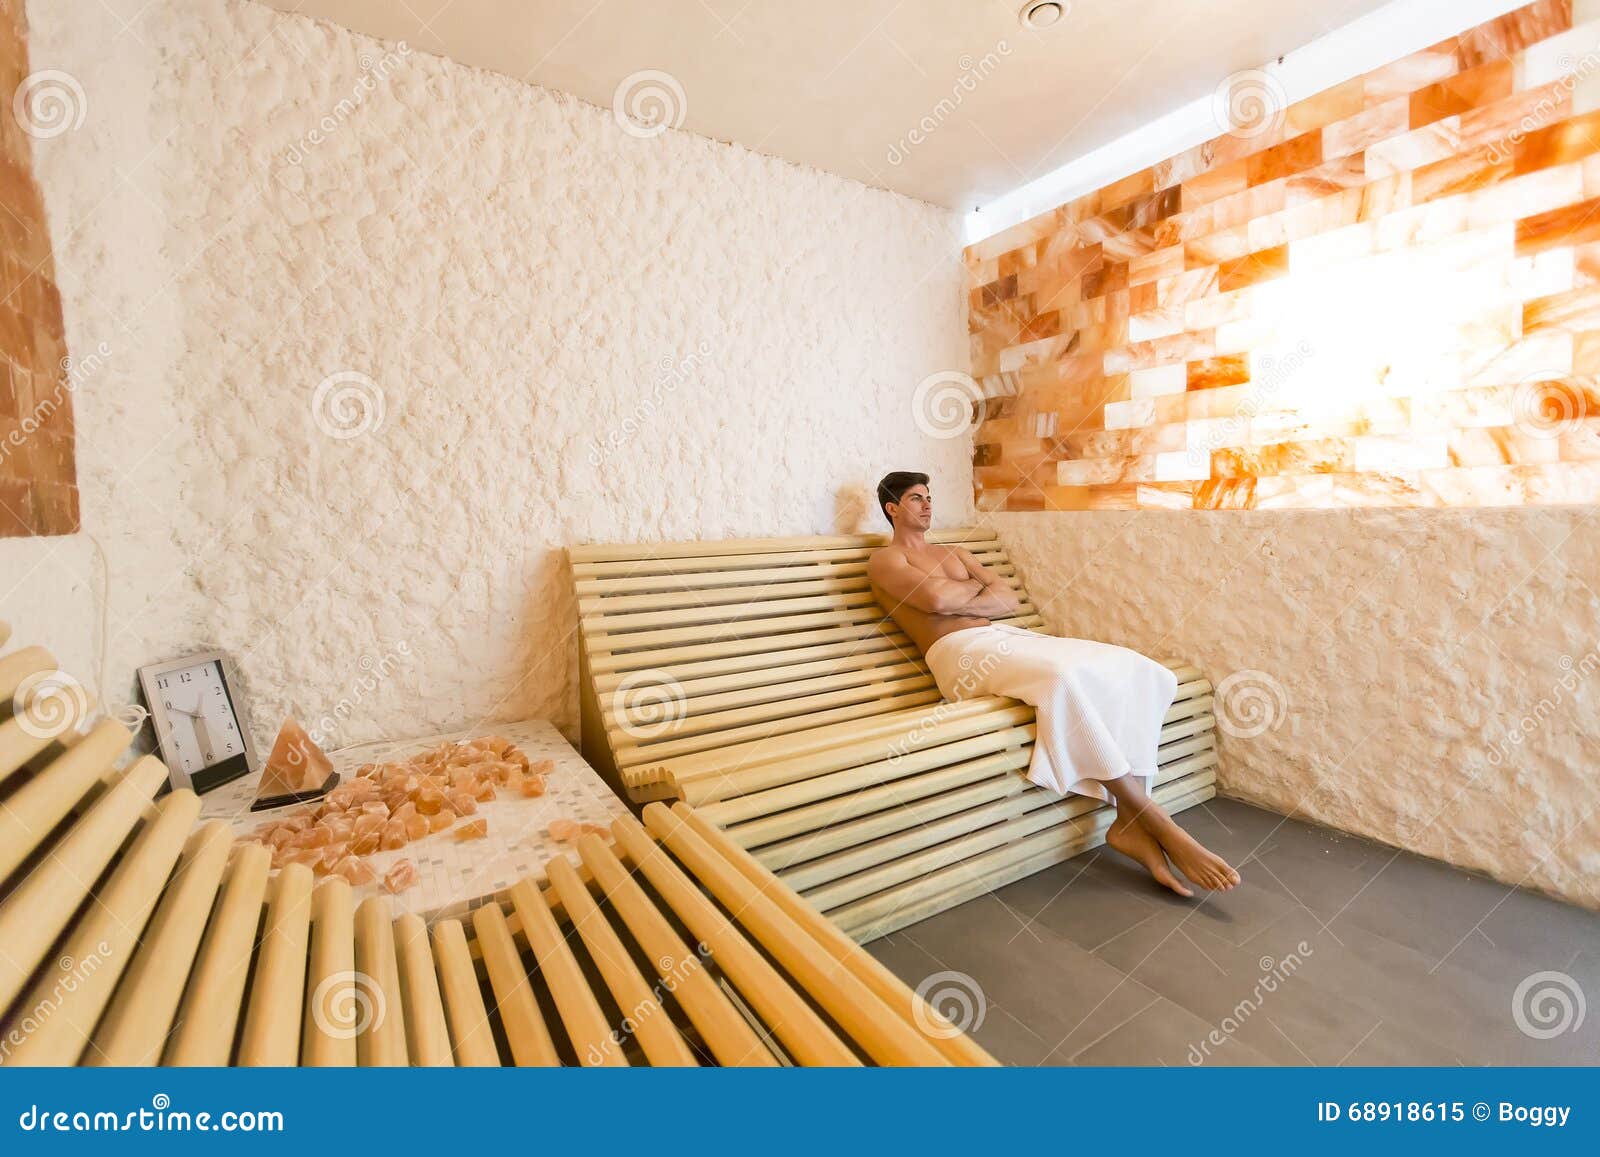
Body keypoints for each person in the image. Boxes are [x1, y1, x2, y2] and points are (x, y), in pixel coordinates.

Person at [866, 470, 1239, 896]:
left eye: (929, 496)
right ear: (892, 509)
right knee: (1061, 679)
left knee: (1139, 667)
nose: (927, 504)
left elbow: (1007, 601)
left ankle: (1127, 822)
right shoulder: (886, 560)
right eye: (916, 498)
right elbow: (935, 601)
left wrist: (958, 591)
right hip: (958, 653)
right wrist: (971, 589)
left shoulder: (955, 552)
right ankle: (1153, 819)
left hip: (1003, 639)